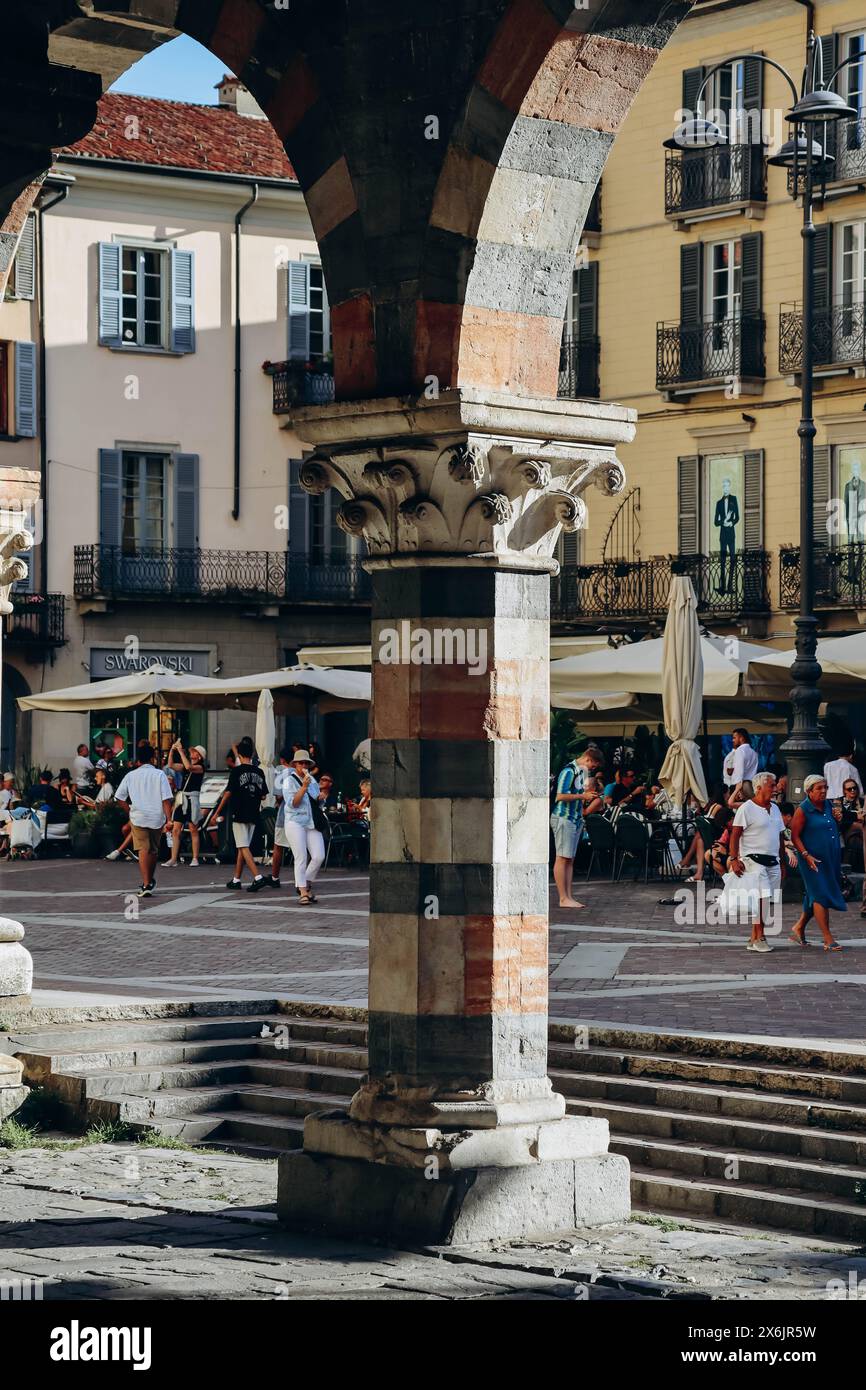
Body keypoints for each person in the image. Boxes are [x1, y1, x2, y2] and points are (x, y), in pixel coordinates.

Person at [728, 770, 786, 953]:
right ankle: (761, 936)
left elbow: (780, 836)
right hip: (753, 861)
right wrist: (734, 859)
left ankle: (753, 938)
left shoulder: (775, 808)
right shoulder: (747, 808)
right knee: (761, 899)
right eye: (772, 786)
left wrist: (782, 863)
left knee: (766, 900)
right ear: (759, 788)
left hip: (773, 860)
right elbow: (735, 835)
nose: (776, 789)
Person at [789, 774, 846, 951]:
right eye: (819, 788)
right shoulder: (803, 809)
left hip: (830, 858)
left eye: (825, 787)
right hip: (811, 860)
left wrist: (839, 819)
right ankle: (828, 939)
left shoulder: (829, 805)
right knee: (821, 893)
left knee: (815, 894)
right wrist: (806, 855)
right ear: (809, 791)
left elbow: (835, 829)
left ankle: (798, 927)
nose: (823, 791)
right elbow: (794, 836)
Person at [114, 744, 173, 899]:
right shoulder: (160, 774)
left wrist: (129, 810)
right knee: (153, 849)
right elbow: (166, 799)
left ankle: (146, 884)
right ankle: (149, 881)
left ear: (138, 760)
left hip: (138, 816)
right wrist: (169, 819)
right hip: (156, 816)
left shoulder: (130, 776)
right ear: (152, 758)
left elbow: (119, 797)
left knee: (142, 849)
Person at [215, 736, 269, 892]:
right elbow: (264, 795)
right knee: (242, 846)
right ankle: (236, 879)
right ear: (251, 754)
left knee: (243, 846)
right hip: (253, 813)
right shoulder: (259, 771)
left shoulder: (236, 771)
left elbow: (228, 793)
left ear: (238, 755)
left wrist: (217, 812)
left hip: (238, 812)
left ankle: (258, 877)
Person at [550, 748, 599, 909]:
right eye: (594, 765)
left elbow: (583, 791)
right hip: (563, 817)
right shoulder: (568, 771)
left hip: (575, 819)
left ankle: (568, 896)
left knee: (569, 859)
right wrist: (582, 796)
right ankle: (563, 898)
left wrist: (588, 795)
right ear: (588, 759)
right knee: (562, 857)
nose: (593, 769)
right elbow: (560, 796)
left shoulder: (582, 772)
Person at [281, 749, 326, 904]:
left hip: (312, 821)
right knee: (301, 857)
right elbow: (293, 803)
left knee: (319, 855)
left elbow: (316, 802)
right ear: (295, 765)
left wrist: (321, 798)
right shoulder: (289, 781)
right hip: (295, 821)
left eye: (306, 763)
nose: (304, 765)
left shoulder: (312, 780)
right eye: (301, 763)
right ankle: (303, 892)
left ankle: (304, 883)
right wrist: (303, 787)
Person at [166, 741, 207, 868]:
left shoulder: (200, 767)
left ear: (199, 756)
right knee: (176, 829)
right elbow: (170, 765)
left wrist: (180, 751)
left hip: (192, 799)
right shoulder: (186, 765)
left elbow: (189, 767)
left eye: (194, 752)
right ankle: (173, 858)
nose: (191, 753)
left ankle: (195, 858)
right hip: (182, 799)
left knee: (193, 828)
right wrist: (172, 750)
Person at [724, 728, 758, 807]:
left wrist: (737, 789)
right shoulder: (754, 752)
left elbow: (739, 772)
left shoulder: (740, 751)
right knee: (752, 806)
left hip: (742, 786)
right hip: (752, 785)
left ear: (741, 738)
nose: (733, 740)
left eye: (734, 738)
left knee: (744, 808)